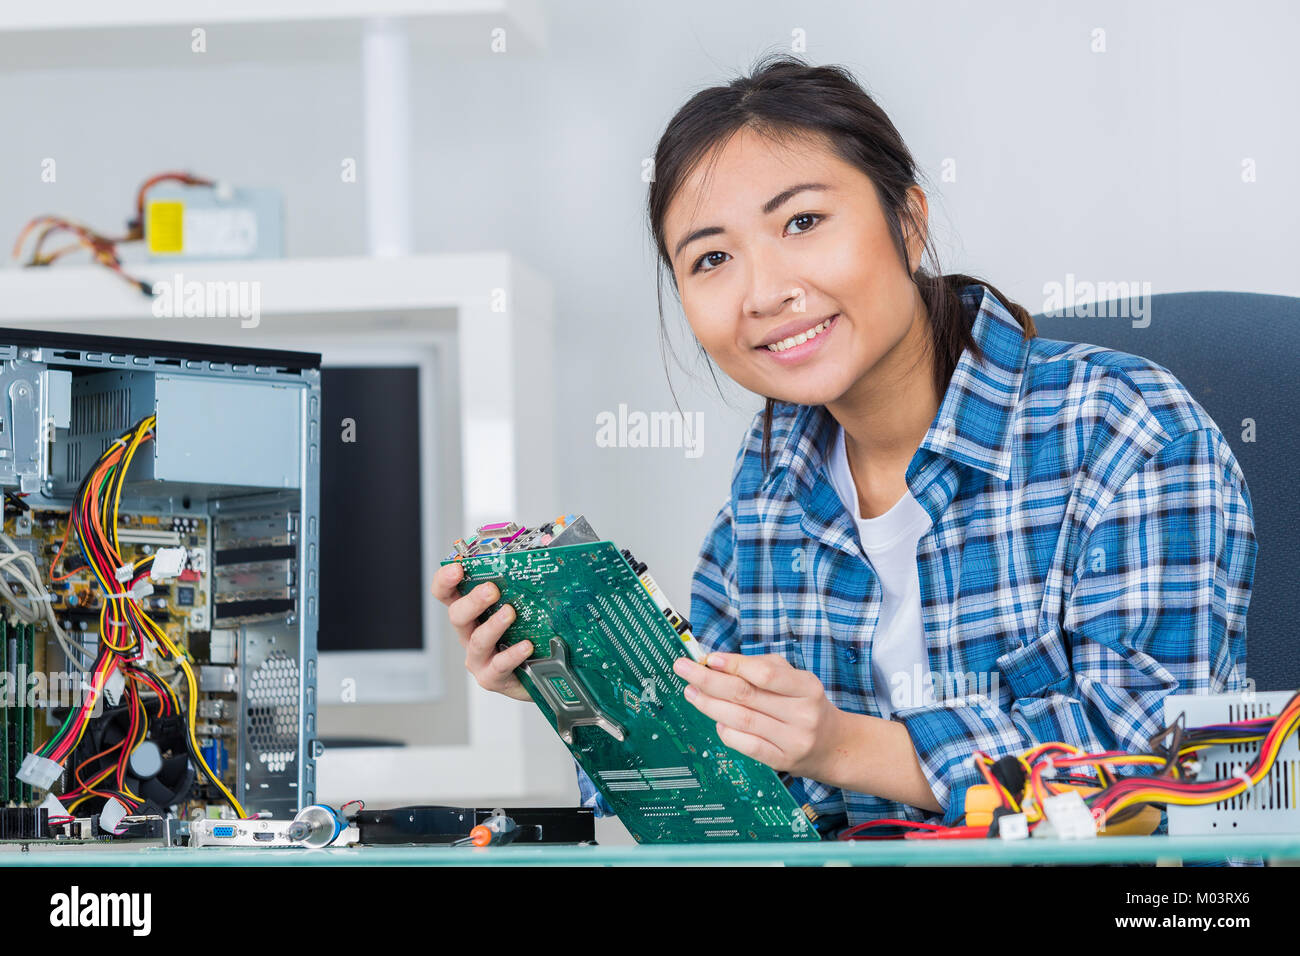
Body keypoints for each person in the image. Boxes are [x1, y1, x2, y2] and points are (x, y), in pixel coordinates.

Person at [432, 54, 1257, 851]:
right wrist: (574, 678)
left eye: (803, 222)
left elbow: (1165, 760)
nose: (765, 292)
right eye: (712, 258)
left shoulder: (1124, 426)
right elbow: (729, 785)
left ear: (908, 220)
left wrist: (839, 745)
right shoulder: (766, 490)